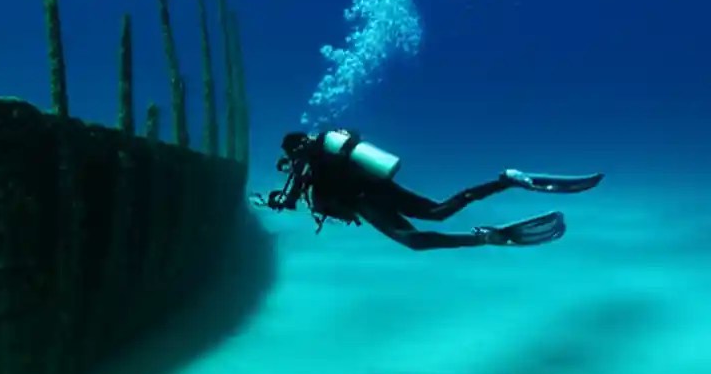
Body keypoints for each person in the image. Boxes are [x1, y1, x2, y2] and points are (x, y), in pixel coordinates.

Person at [251, 129, 603, 250]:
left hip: (367, 203)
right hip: (381, 189)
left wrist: (270, 201)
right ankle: (506, 180)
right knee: (438, 211)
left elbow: (291, 199)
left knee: (415, 241)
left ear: (293, 149)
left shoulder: (304, 161)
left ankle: (483, 238)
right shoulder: (326, 150)